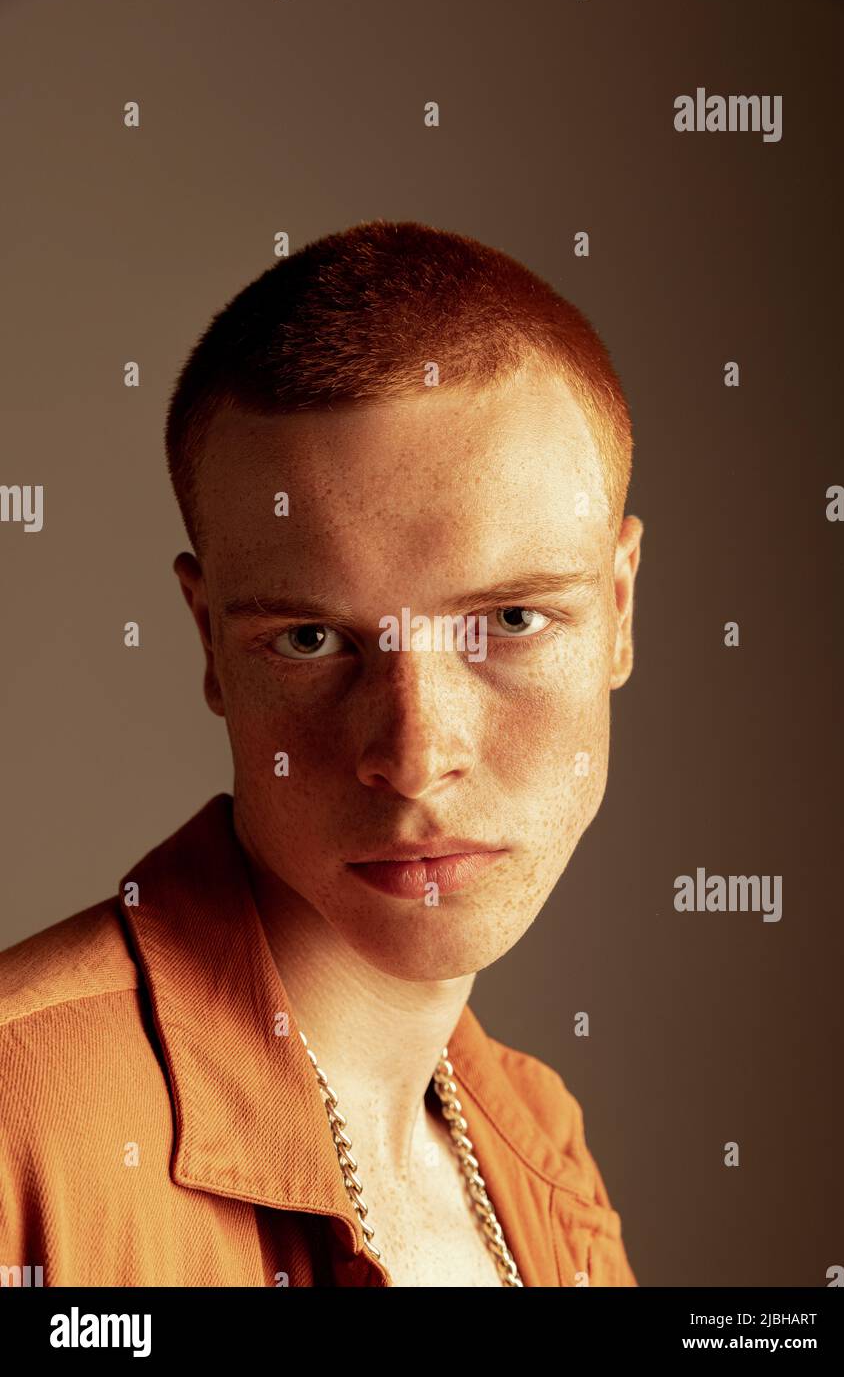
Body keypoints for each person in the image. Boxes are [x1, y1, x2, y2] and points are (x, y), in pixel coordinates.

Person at [0, 218, 642, 1287]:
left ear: (620, 611)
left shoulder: (540, 1146)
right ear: (210, 640)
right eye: (311, 640)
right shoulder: (22, 1126)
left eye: (512, 621)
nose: (416, 751)